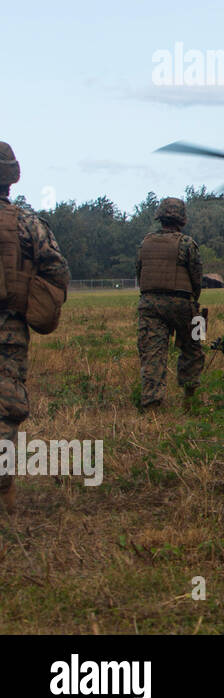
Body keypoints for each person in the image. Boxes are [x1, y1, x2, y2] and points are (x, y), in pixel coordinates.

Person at [0, 142, 70, 512]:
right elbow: (57, 271)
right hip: (9, 331)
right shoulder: (28, 224)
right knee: (5, 407)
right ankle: (3, 492)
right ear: (12, 177)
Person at [136, 196, 205, 409]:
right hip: (183, 305)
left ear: (160, 217)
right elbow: (197, 278)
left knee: (153, 354)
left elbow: (139, 273)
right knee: (194, 346)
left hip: (149, 305)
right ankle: (190, 395)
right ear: (182, 219)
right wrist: (192, 300)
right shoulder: (187, 243)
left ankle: (151, 402)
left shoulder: (145, 242)